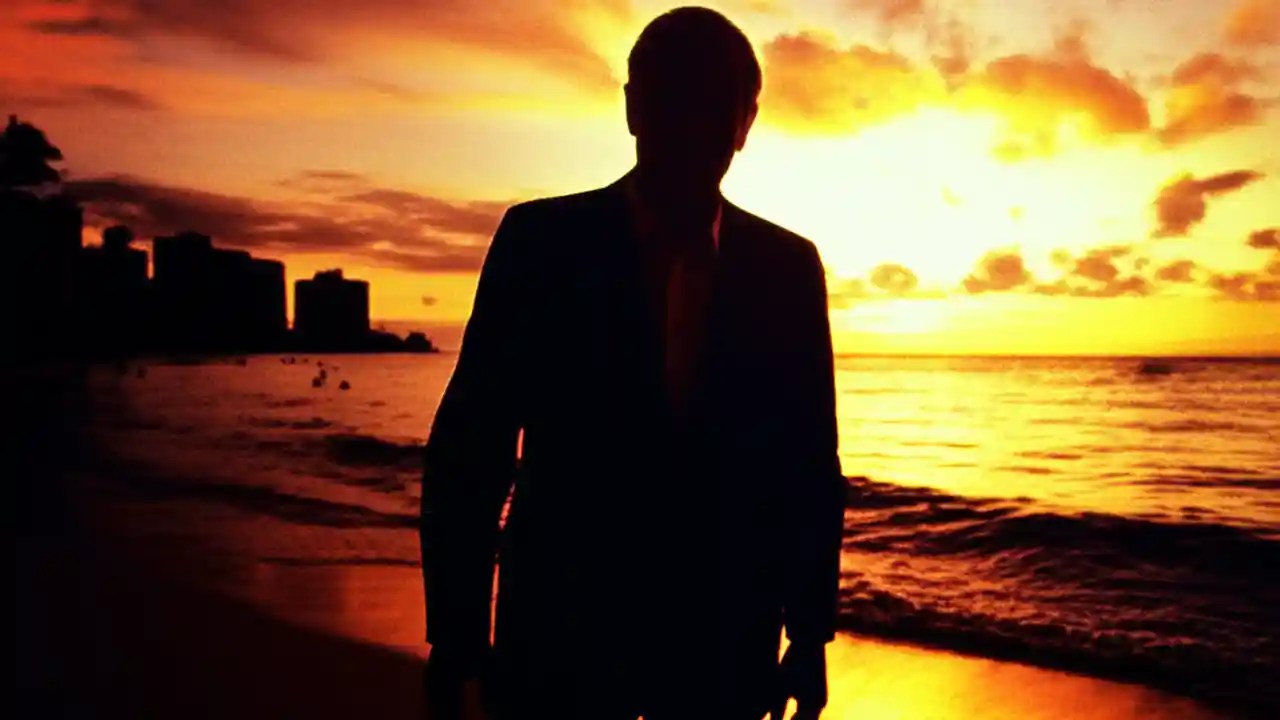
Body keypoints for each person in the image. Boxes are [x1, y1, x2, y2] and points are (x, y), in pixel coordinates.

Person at [420, 6, 845, 719]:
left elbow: (806, 466)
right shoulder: (541, 245)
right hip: (561, 633)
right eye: (674, 97)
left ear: (746, 121)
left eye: (717, 105)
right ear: (633, 107)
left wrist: (808, 634)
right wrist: (456, 635)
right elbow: (473, 448)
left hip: (720, 640)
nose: (693, 127)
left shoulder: (787, 269)